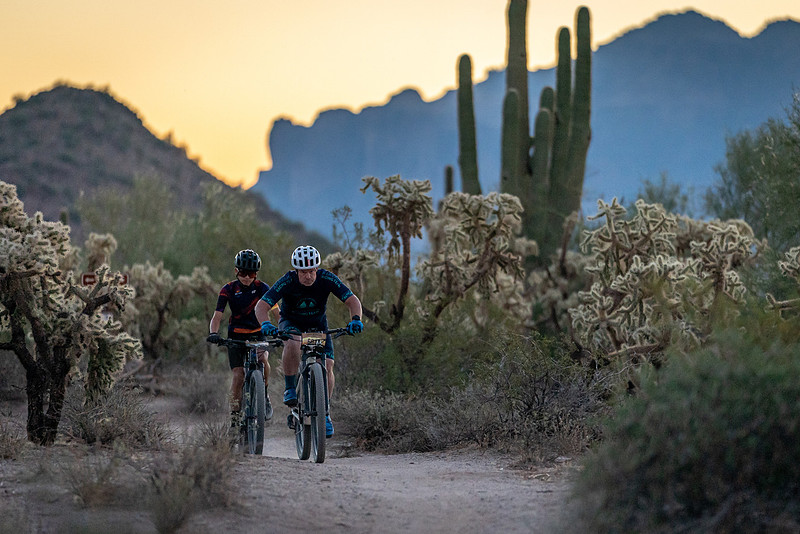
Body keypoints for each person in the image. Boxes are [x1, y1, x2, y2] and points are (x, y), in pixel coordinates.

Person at [254, 245, 363, 438]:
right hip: (292, 324)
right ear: (296, 271)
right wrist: (265, 324)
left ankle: (325, 414)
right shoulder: (287, 281)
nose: (309, 276)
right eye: (304, 272)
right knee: (293, 342)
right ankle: (290, 387)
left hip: (317, 327)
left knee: (328, 365)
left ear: (317, 269)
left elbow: (352, 300)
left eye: (312, 270)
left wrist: (356, 319)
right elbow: (262, 306)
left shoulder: (326, 278)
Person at [208, 249, 278, 428]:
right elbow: (217, 316)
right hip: (236, 335)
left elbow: (277, 312)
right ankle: (234, 419)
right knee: (238, 376)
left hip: (257, 332)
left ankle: (265, 395)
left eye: (252, 273)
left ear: (257, 274)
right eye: (243, 273)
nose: (247, 278)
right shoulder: (228, 290)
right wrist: (214, 334)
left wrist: (283, 329)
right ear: (236, 271)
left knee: (262, 360)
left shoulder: (263, 288)